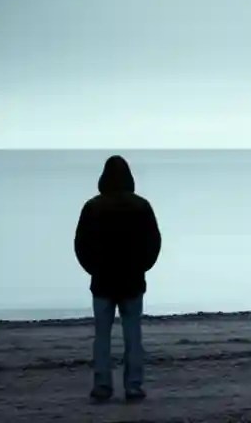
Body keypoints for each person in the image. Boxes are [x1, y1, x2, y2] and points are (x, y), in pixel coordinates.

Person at [73, 155, 162, 402]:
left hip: (102, 281)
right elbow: (154, 242)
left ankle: (102, 385)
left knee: (102, 337)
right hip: (132, 280)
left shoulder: (93, 207)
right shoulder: (141, 206)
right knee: (133, 336)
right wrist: (142, 267)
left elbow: (81, 244)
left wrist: (93, 269)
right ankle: (133, 385)